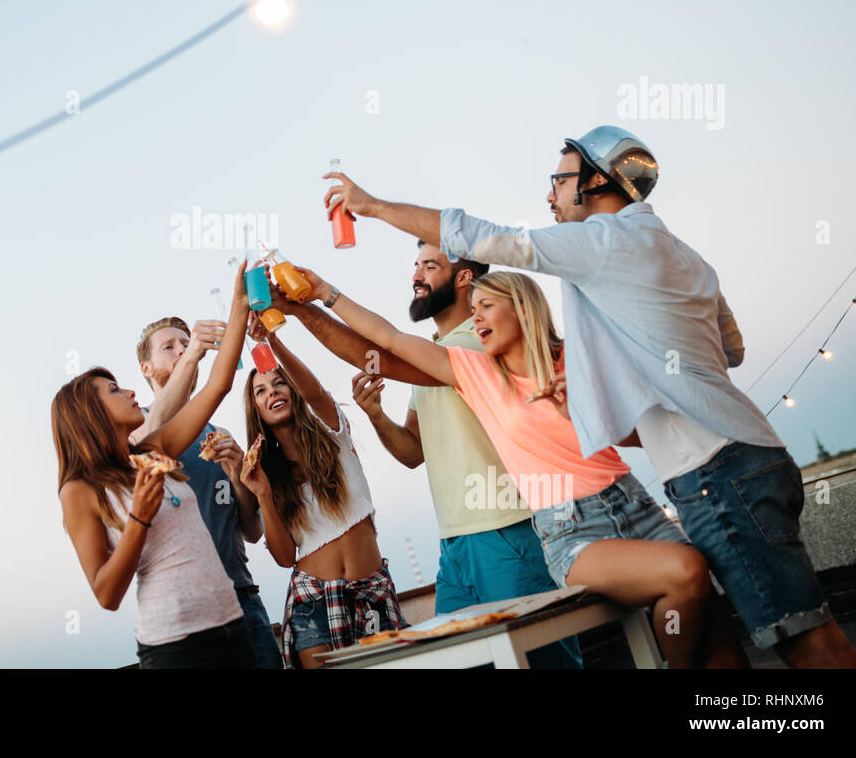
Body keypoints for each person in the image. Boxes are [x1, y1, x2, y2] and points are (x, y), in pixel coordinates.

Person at [323, 126, 856, 668]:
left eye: (558, 181)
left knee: (812, 648)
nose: (550, 196)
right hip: (755, 456)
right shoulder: (682, 254)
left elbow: (487, 238)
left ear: (596, 182)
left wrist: (369, 205)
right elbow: (731, 349)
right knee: (731, 640)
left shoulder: (601, 244)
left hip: (712, 473)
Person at [288, 263, 745, 668]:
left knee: (719, 631)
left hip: (631, 501)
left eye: (487, 305)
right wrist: (323, 293)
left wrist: (588, 414)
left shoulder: (573, 361)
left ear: (523, 307)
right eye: (475, 307)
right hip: (570, 525)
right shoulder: (477, 373)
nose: (477, 315)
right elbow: (385, 339)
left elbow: (644, 431)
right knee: (685, 570)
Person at [266, 243, 582, 668]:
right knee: (461, 662)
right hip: (455, 546)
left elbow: (378, 352)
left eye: (430, 266)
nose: (416, 275)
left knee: (544, 662)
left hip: (509, 530)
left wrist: (312, 305)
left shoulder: (482, 341)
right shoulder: (435, 354)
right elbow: (413, 452)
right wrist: (377, 417)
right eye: (415, 264)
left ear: (465, 277)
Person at [53, 260, 256, 669]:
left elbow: (219, 384)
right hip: (176, 648)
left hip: (234, 626)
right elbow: (106, 594)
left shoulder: (152, 449)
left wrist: (239, 305)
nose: (129, 390)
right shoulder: (79, 491)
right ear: (90, 414)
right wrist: (139, 519)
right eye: (114, 390)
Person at [236, 314, 405, 669]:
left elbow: (314, 391)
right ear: (256, 409)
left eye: (279, 383)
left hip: (372, 591)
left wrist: (272, 343)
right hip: (312, 603)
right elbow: (284, 557)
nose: (273, 393)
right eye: (261, 391)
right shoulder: (264, 474)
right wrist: (264, 495)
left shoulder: (333, 433)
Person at [133, 315, 283, 668]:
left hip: (242, 596)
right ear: (147, 368)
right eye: (168, 347)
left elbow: (251, 530)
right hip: (183, 611)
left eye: (186, 343)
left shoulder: (219, 435)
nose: (182, 351)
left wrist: (236, 476)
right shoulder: (138, 428)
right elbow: (143, 451)